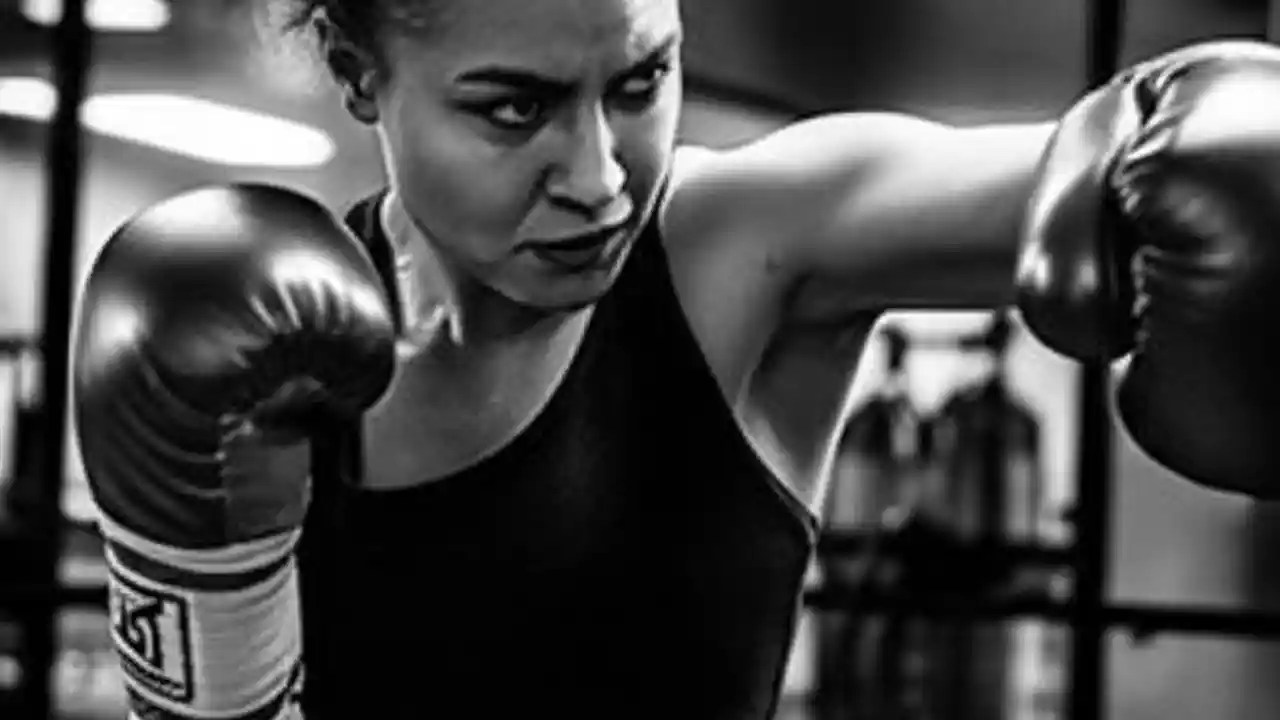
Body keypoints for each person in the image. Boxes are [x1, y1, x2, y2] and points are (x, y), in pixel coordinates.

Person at [71, 0, 1280, 717]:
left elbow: (1116, 162)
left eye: (642, 80)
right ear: (356, 73)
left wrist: (1223, 165)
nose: (599, 178)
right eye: (513, 108)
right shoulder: (265, 353)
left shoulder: (742, 248)